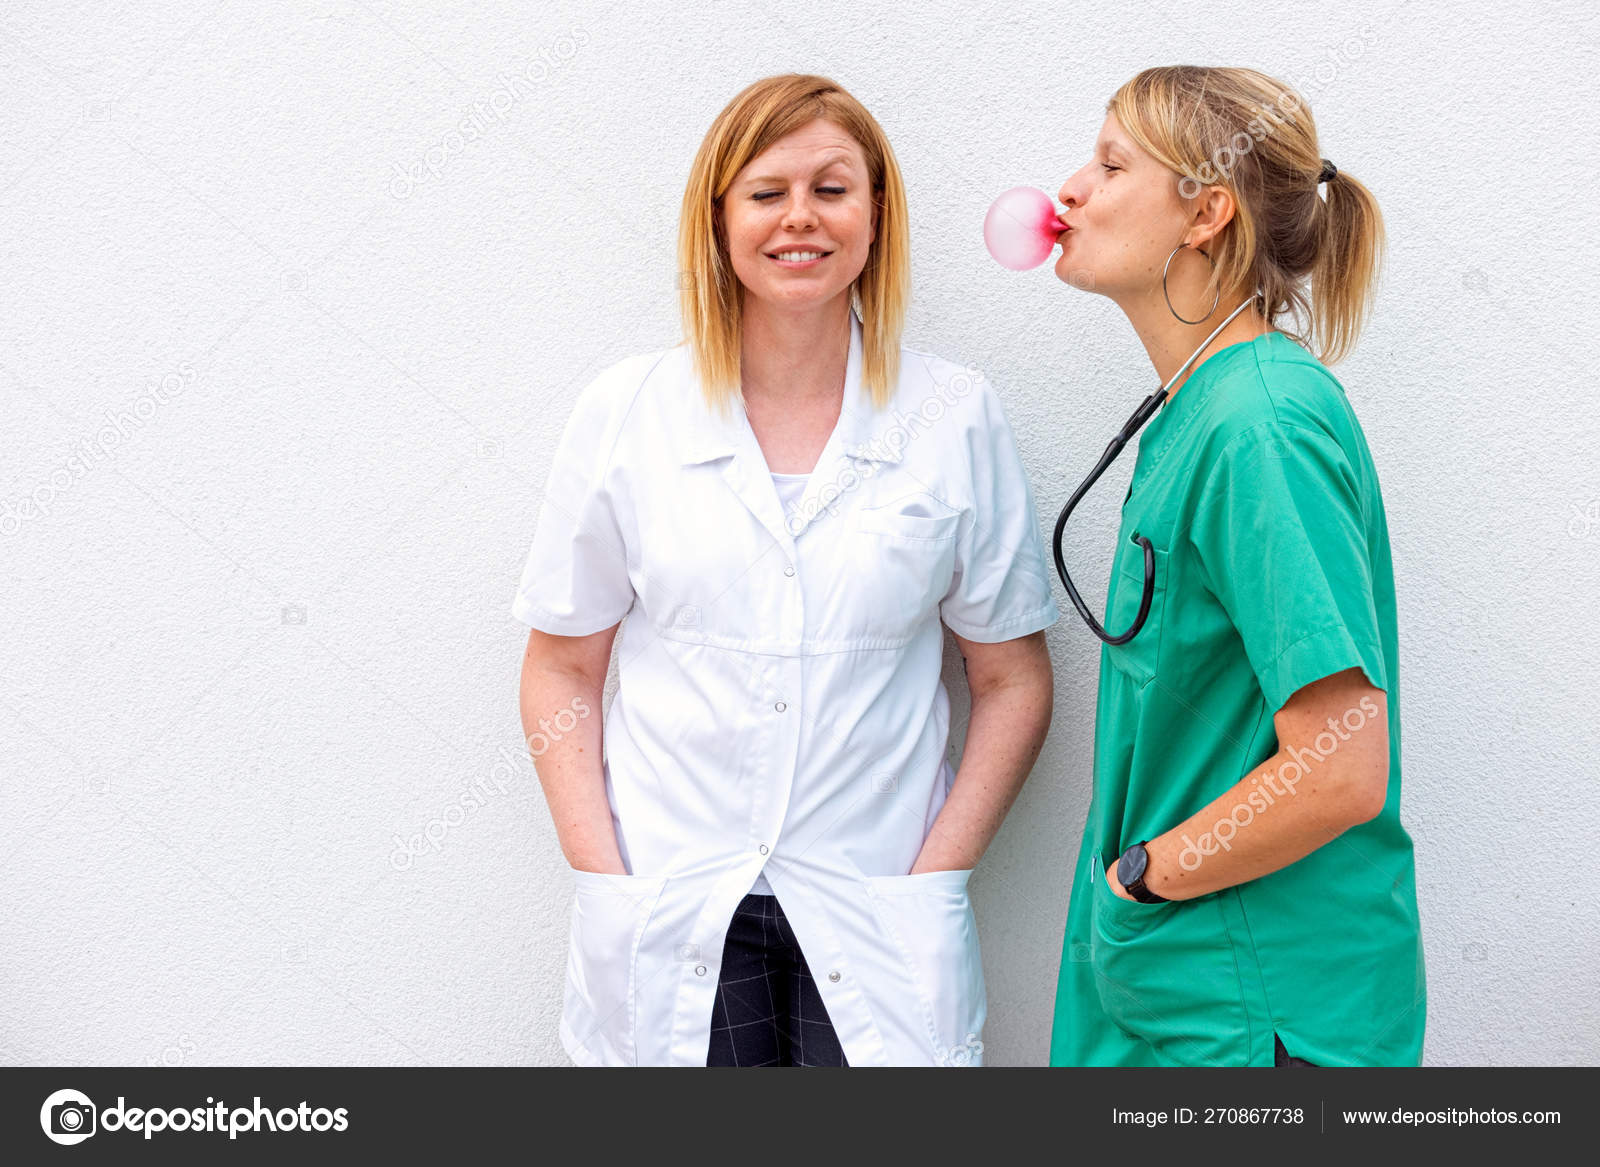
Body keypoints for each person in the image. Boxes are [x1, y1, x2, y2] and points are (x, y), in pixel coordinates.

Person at [513, 73, 1059, 1067]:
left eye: (832, 189)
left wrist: (937, 875)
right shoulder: (627, 413)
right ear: (718, 217)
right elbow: (561, 667)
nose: (798, 219)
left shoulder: (952, 417)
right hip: (673, 911)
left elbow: (1010, 679)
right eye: (766, 193)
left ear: (876, 215)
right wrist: (605, 875)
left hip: (873, 913)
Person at [1045, 65, 1425, 1066]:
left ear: (1204, 212)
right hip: (1188, 990)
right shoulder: (1210, 410)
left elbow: (1338, 768)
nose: (1068, 191)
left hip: (1252, 1013)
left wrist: (1144, 877)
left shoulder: (1258, 426)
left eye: (1109, 163)